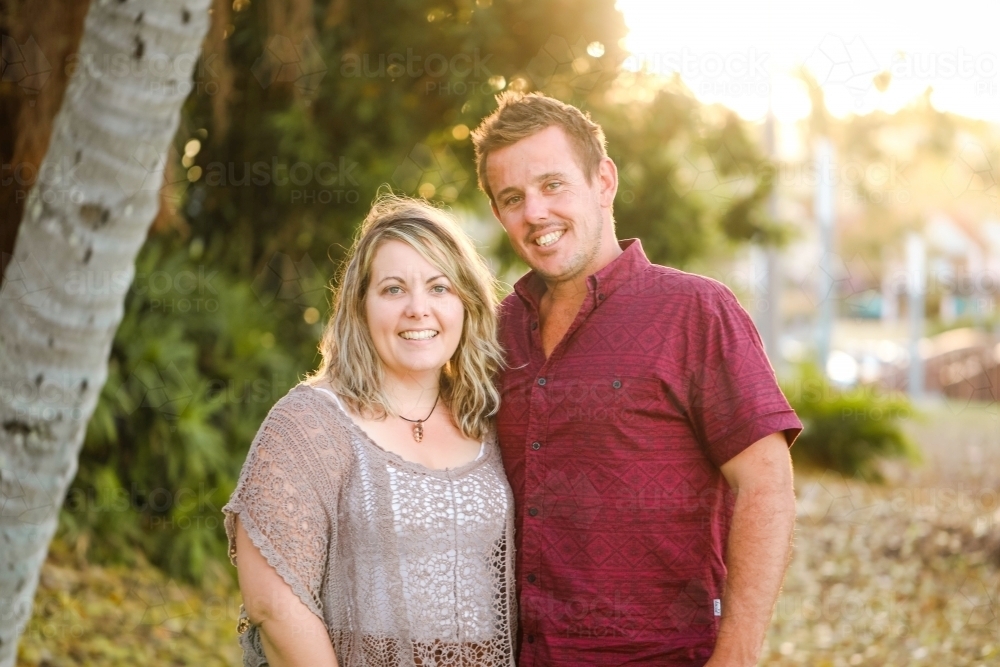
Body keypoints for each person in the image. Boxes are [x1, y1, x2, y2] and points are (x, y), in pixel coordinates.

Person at [471, 92, 803, 666]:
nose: (535, 213)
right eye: (513, 198)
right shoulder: (495, 333)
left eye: (553, 185)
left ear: (604, 181)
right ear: (500, 215)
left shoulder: (695, 311)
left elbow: (766, 486)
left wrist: (736, 658)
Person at [222, 195, 517, 667]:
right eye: (394, 289)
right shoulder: (310, 422)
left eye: (439, 287)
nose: (418, 309)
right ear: (360, 306)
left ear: (466, 303)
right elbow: (272, 606)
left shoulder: (487, 418)